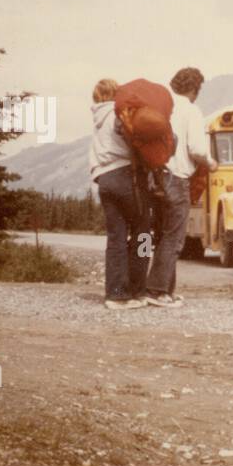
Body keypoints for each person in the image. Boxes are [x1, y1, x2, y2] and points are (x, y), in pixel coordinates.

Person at [144, 67, 216, 308]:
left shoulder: (161, 106)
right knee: (173, 238)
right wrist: (210, 162)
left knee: (162, 236)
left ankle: (165, 290)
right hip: (177, 179)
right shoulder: (191, 110)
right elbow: (196, 148)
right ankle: (156, 291)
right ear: (195, 89)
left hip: (155, 177)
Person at [89, 78, 150, 310]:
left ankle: (115, 294)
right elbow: (134, 142)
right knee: (143, 234)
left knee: (116, 238)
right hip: (127, 176)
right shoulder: (118, 115)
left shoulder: (96, 120)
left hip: (105, 181)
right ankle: (138, 289)